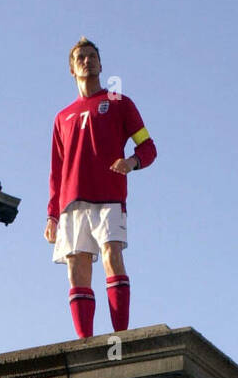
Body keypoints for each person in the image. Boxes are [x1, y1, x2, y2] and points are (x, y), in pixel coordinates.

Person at [45, 37, 157, 339]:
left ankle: (120, 336)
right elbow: (56, 170)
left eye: (92, 56)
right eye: (81, 57)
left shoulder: (120, 102)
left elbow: (148, 146)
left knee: (111, 254)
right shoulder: (62, 117)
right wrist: (52, 215)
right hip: (71, 203)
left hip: (108, 197)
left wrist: (132, 162)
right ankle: (85, 343)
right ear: (72, 69)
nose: (87, 60)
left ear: (101, 64)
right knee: (76, 268)